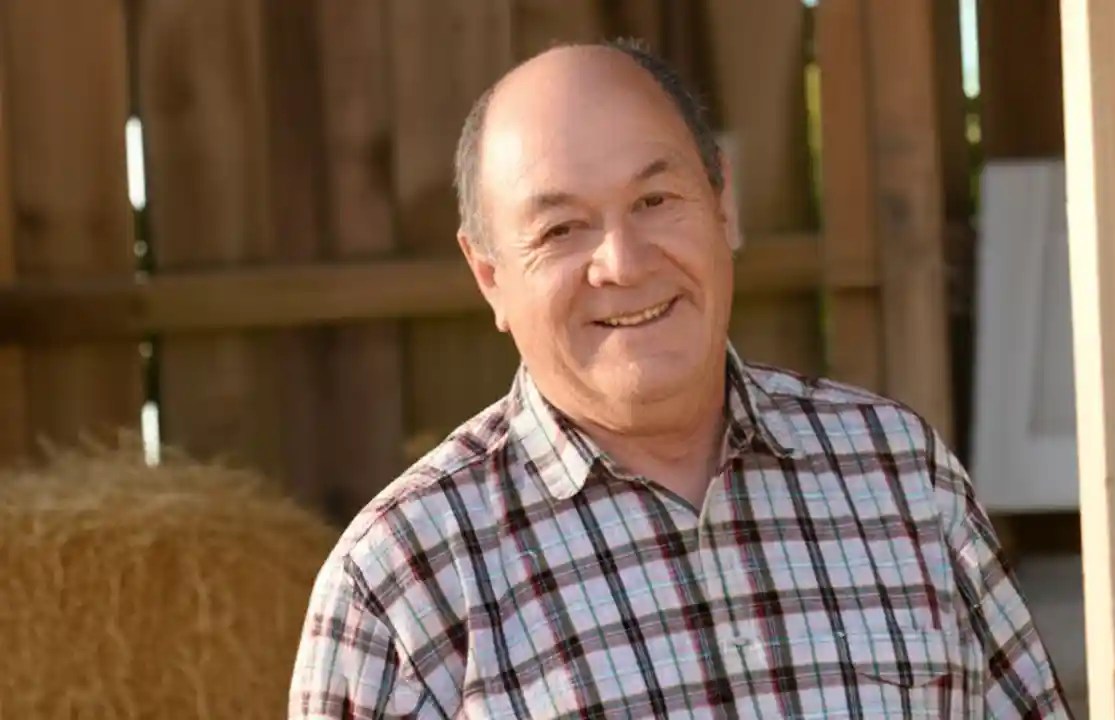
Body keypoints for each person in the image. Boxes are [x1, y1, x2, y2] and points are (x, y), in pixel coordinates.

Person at [289, 39, 1072, 719]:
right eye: (561, 229)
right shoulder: (398, 584)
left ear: (722, 204)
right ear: (489, 275)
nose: (623, 263)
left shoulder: (900, 474)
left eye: (655, 199)